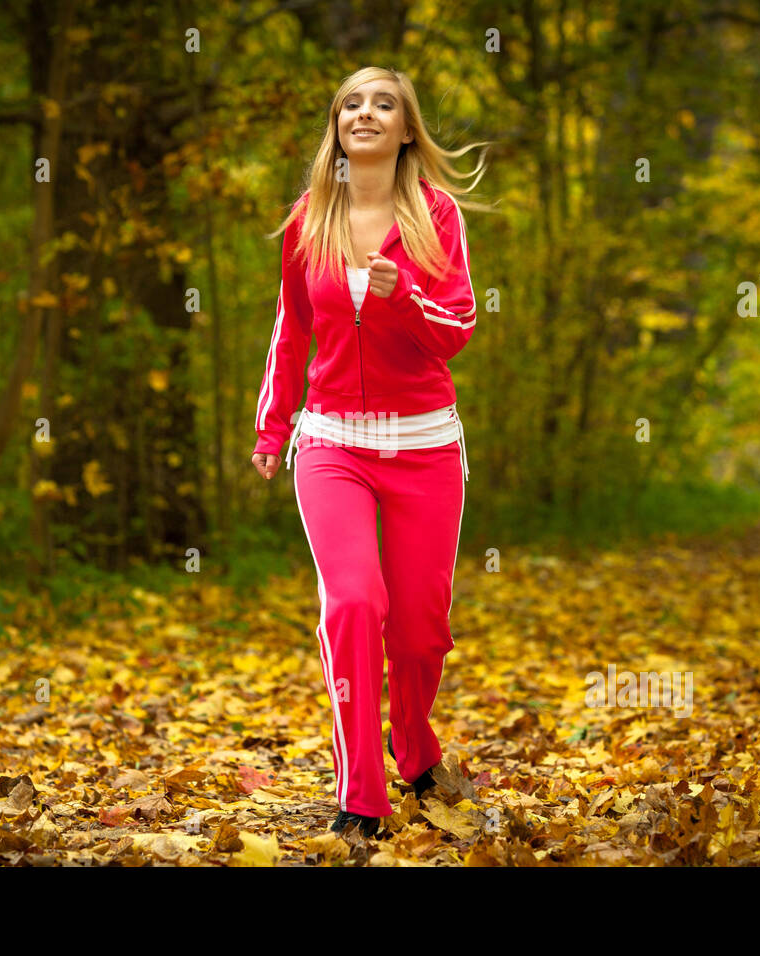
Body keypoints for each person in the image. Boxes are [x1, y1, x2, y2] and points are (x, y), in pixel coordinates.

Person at [251, 67, 492, 839]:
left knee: (421, 628)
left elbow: (455, 329)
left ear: (407, 129)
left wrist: (402, 296)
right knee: (356, 603)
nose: (366, 112)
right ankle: (361, 792)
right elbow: (292, 332)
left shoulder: (436, 216)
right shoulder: (307, 220)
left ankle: (414, 743)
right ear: (337, 125)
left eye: (383, 103)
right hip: (333, 444)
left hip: (423, 445)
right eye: (352, 103)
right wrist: (273, 426)